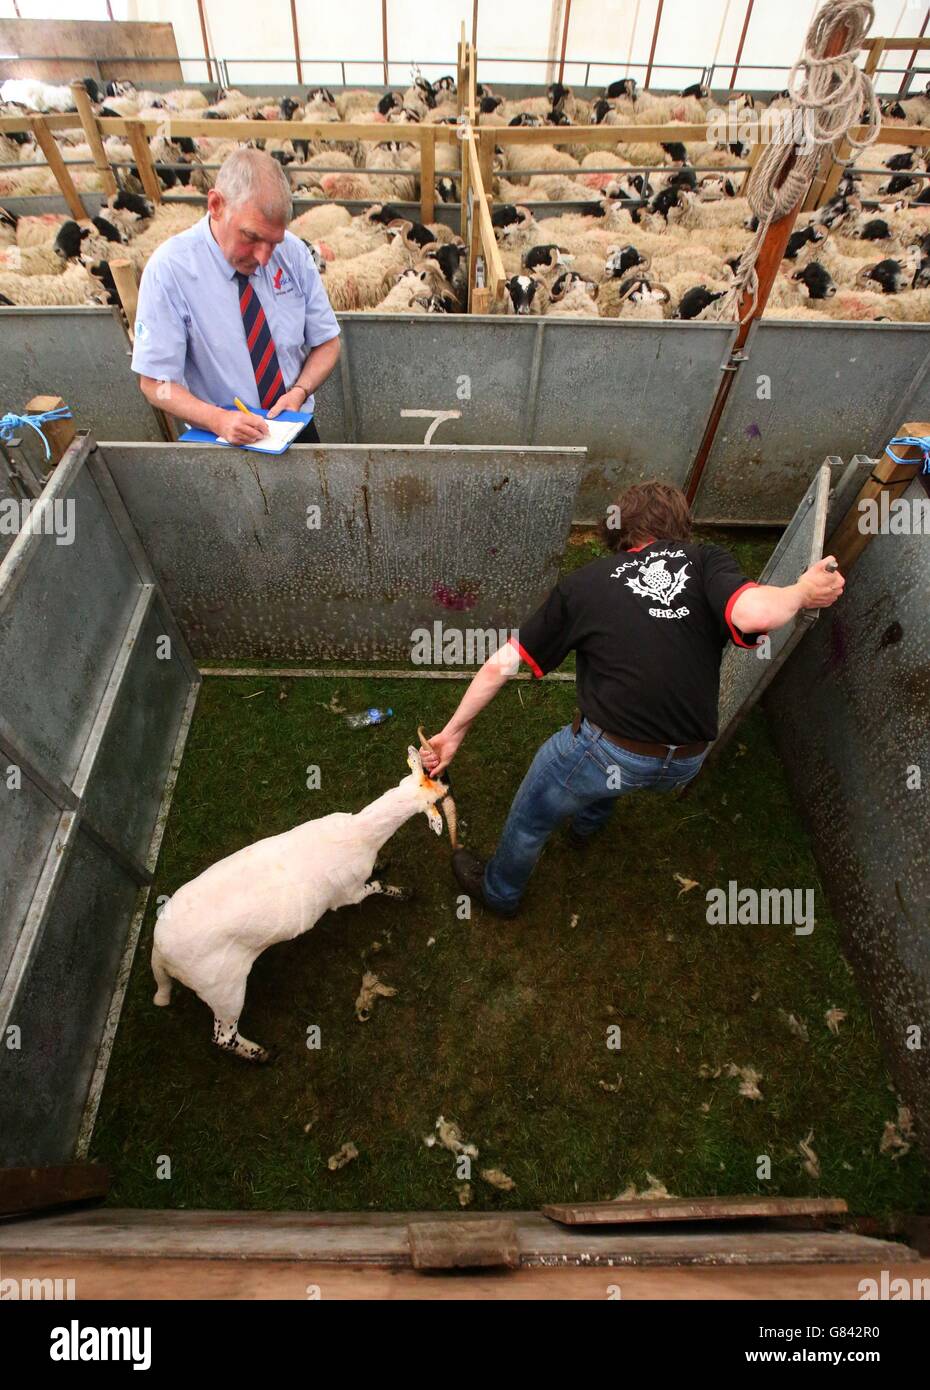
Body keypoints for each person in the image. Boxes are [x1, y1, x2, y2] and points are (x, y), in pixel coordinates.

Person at [420, 480, 845, 920]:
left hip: (614, 753)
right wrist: (801, 591)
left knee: (538, 806)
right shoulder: (705, 561)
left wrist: (453, 733)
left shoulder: (583, 584)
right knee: (610, 748)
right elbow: (755, 613)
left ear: (619, 532)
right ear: (680, 526)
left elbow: (499, 666)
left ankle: (499, 892)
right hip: (687, 760)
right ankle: (587, 826)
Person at [131, 147, 340, 446]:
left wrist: (300, 391)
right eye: (252, 237)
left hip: (293, 429)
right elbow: (155, 384)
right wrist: (217, 419)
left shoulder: (292, 254)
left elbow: (328, 342)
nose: (265, 257)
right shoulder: (169, 271)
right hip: (220, 439)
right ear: (216, 204)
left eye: (274, 242)